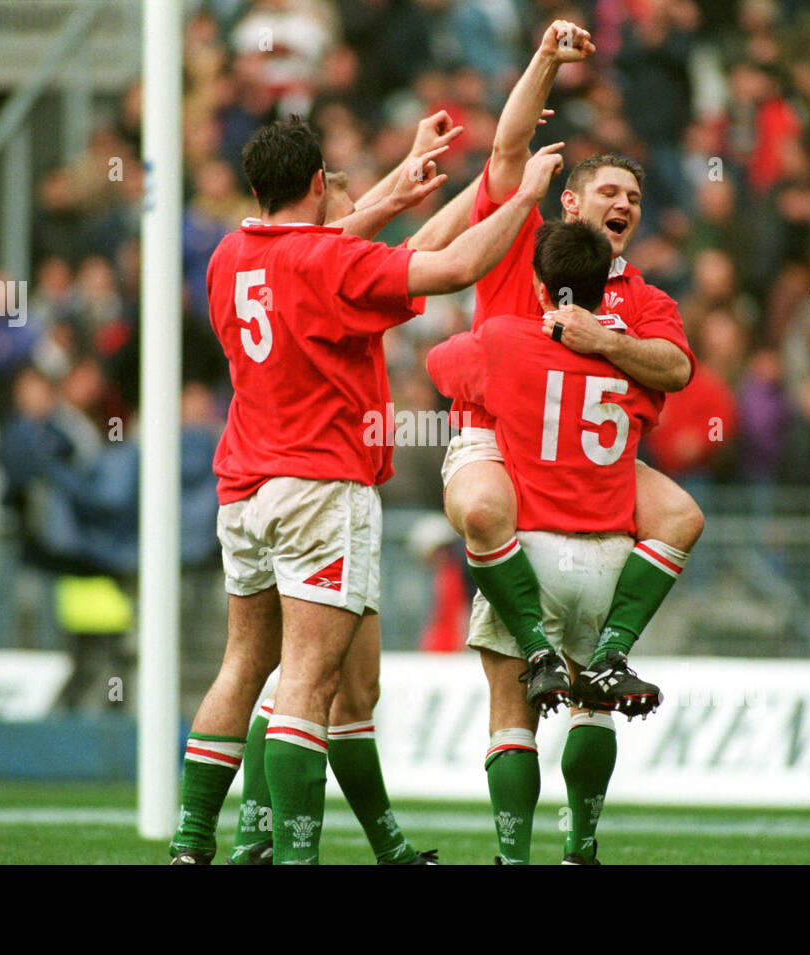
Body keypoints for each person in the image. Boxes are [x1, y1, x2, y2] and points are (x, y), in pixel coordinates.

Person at [168, 116, 565, 864]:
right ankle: (291, 853)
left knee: (242, 666)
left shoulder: (228, 256)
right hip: (319, 487)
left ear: (258, 188)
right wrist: (522, 201)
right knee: (310, 685)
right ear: (319, 183)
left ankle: (191, 840)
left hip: (244, 488)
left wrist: (406, 181)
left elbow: (342, 237)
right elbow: (447, 269)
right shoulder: (333, 264)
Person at [436, 19, 701, 714]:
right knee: (483, 509)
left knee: (681, 514)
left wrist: (605, 342)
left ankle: (613, 654)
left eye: (635, 199)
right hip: (500, 442)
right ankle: (535, 648)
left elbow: (676, 369)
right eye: (610, 192)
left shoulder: (641, 296)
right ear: (570, 202)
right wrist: (547, 59)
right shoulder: (522, 242)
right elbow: (506, 148)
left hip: (590, 465)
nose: (624, 205)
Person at [428, 220, 664, 865]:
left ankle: (512, 857)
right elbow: (659, 393)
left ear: (538, 286)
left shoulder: (507, 338)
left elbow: (441, 366)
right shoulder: (629, 356)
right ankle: (581, 849)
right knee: (594, 709)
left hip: (531, 554)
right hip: (612, 554)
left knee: (511, 713)